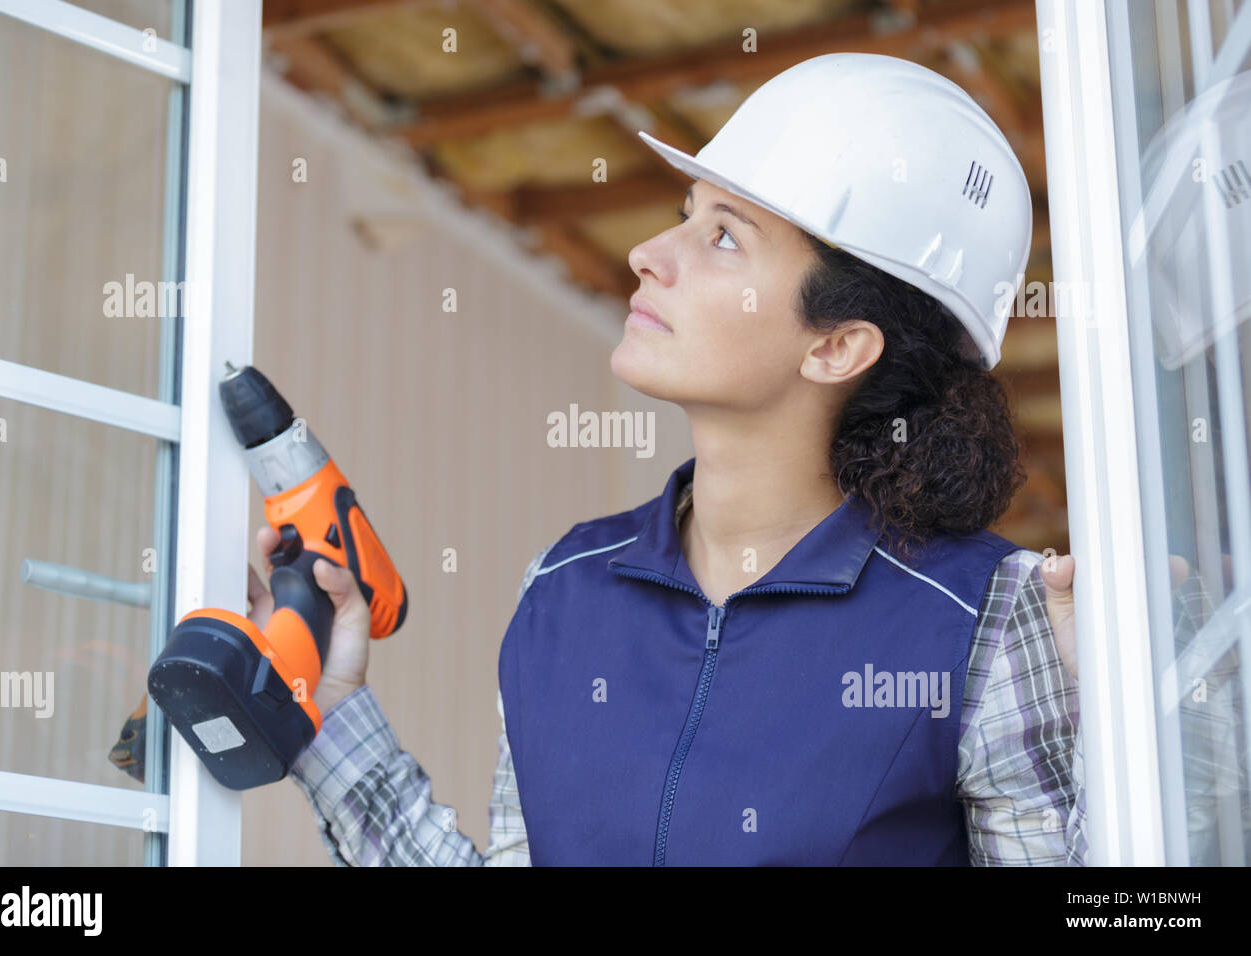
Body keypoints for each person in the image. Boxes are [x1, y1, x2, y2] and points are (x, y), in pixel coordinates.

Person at [248, 53, 1086, 865]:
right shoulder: (567, 585)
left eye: (725, 238)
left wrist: (1182, 727)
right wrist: (334, 712)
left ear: (837, 346)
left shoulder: (984, 618)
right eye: (688, 212)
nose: (649, 253)